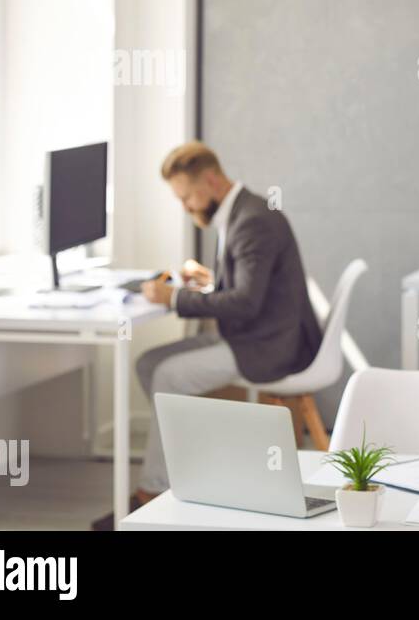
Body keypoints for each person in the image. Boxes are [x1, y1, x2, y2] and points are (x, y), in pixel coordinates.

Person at [92, 141, 322, 529]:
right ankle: (185, 472)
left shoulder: (252, 221)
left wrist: (175, 297)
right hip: (255, 332)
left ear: (211, 181)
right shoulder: (242, 212)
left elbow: (247, 303)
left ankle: (152, 491)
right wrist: (211, 283)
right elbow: (250, 288)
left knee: (168, 376)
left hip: (268, 344)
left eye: (186, 198)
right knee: (149, 363)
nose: (186, 208)